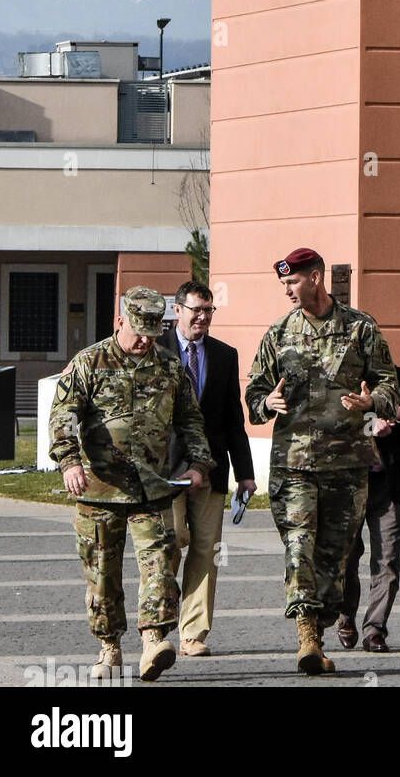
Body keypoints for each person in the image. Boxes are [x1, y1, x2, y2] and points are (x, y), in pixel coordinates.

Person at [245, 247, 398, 675]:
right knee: (299, 546)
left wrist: (373, 401)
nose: (288, 291)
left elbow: (390, 385)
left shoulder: (360, 328)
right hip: (293, 465)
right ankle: (307, 637)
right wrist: (265, 402)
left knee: (336, 557)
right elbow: (254, 392)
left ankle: (322, 621)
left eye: (293, 282)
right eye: (283, 285)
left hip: (347, 466)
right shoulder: (278, 333)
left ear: (316, 277)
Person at [49, 286, 214, 682]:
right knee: (102, 573)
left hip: (151, 489)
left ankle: (153, 642)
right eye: (138, 331)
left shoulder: (170, 367)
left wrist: (198, 463)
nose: (144, 340)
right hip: (98, 489)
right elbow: (63, 417)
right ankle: (109, 647)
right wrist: (69, 461)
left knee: (159, 564)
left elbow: (190, 420)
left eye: (152, 333)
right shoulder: (89, 362)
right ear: (120, 320)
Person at [160, 280, 256, 657]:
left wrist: (245, 472)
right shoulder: (157, 350)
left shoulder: (224, 354)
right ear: (177, 310)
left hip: (212, 469)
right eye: (196, 309)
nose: (202, 317)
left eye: (208, 310)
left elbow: (234, 418)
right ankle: (159, 621)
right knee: (170, 545)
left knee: (205, 551)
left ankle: (193, 633)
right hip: (165, 469)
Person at [336, 363, 400, 652]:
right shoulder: (340, 374)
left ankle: (375, 629)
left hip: (388, 482)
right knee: (346, 558)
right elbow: (330, 422)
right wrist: (370, 423)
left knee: (388, 558)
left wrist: (399, 416)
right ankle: (345, 614)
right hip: (349, 483)